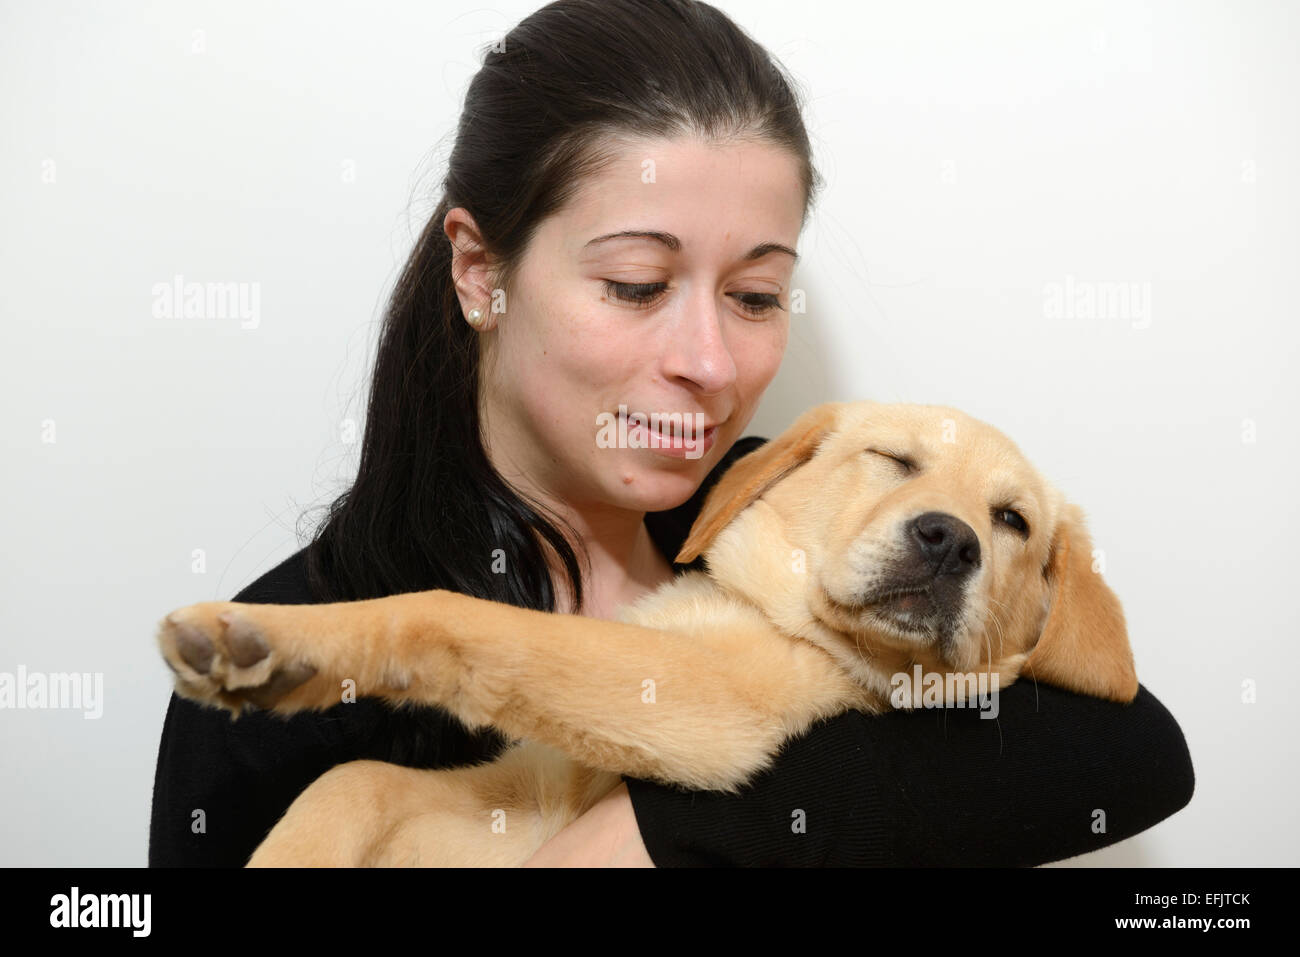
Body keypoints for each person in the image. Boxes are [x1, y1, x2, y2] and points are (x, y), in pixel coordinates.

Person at [149, 0, 1194, 867]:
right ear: (482, 273)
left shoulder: (778, 512)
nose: (709, 360)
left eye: (753, 295)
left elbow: (1134, 748)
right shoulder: (282, 644)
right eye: (636, 285)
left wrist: (656, 831)